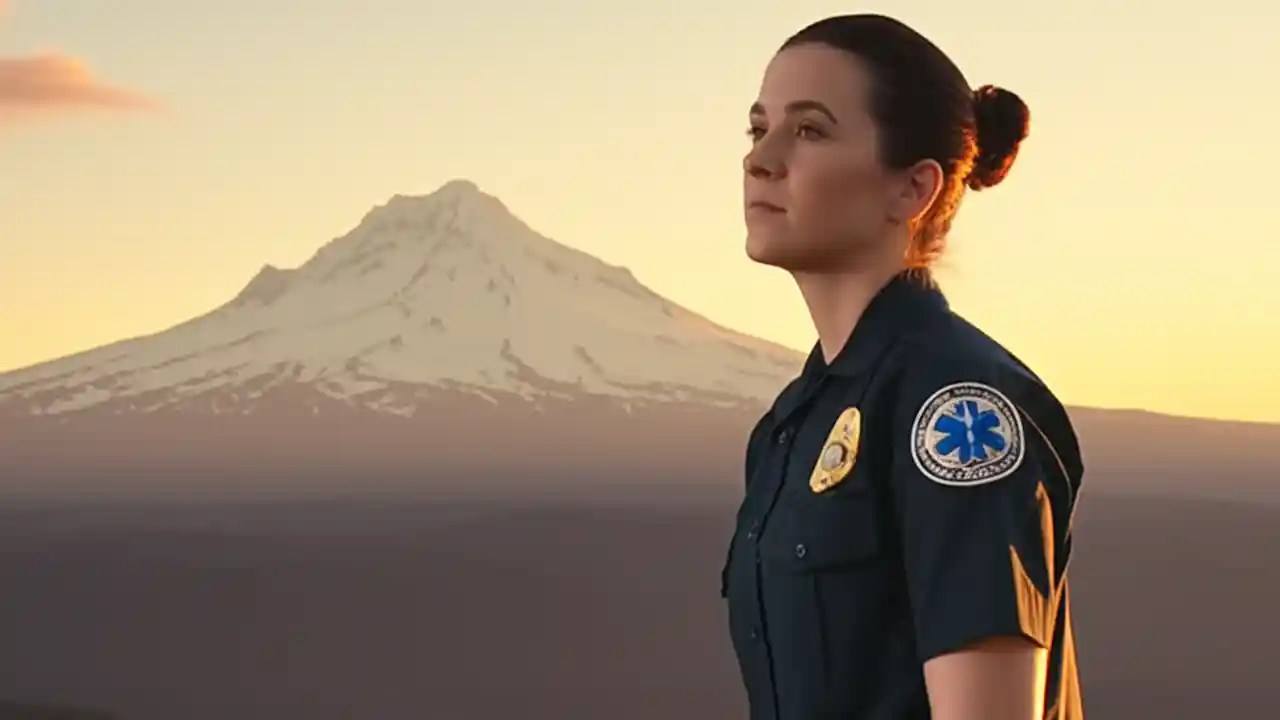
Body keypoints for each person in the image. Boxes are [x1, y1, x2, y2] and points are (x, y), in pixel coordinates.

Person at [719, 13, 1085, 720]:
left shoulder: (956, 408)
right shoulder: (795, 422)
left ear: (911, 191)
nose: (760, 158)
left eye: (810, 129)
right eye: (757, 127)